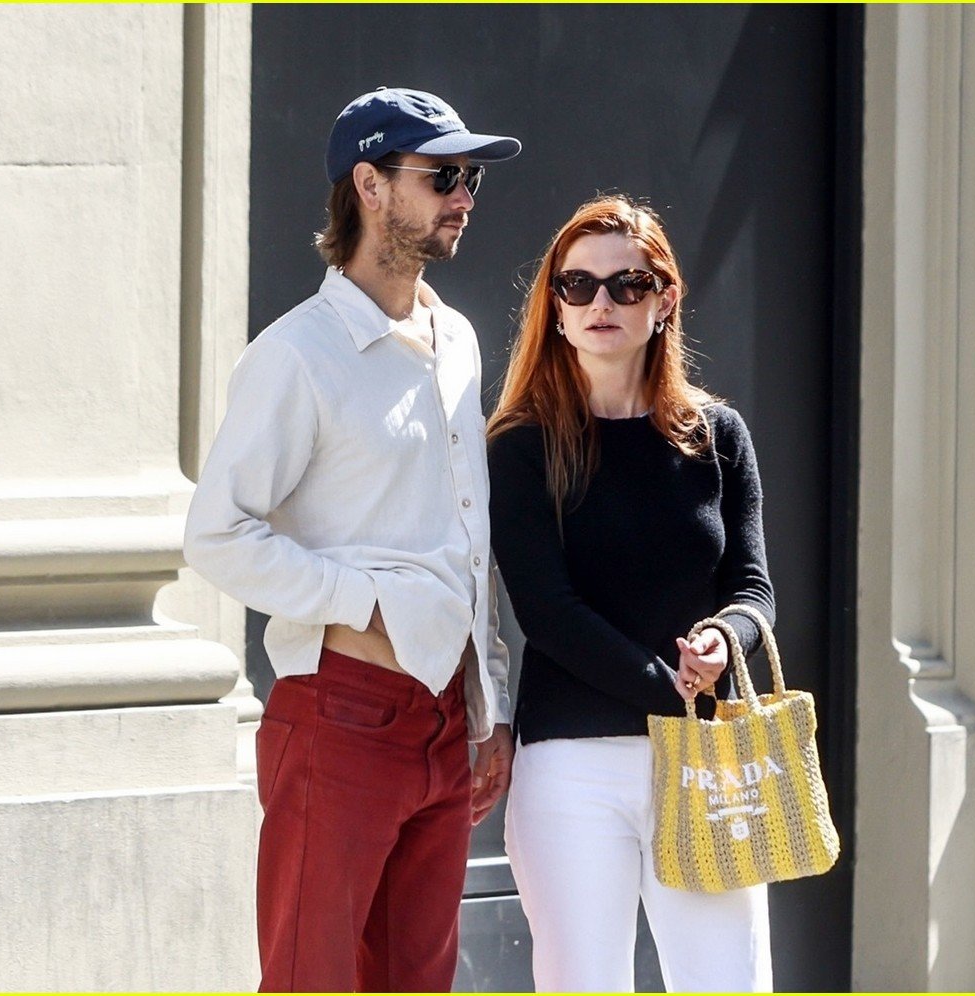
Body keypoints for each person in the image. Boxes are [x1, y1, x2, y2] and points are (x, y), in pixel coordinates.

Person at [183, 87, 520, 993]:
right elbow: (215, 534)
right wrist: (361, 600)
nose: (465, 195)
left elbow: (465, 534)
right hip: (339, 717)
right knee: (311, 981)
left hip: (448, 722)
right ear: (369, 185)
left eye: (472, 176)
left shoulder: (457, 339)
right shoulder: (297, 354)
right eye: (443, 174)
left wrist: (486, 700)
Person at [486, 195, 776, 992]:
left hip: (707, 768)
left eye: (626, 284)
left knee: (728, 984)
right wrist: (670, 690)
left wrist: (725, 637)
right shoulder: (521, 445)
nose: (601, 304)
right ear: (556, 306)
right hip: (573, 768)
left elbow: (752, 589)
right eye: (576, 287)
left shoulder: (718, 437)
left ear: (665, 298)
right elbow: (546, 612)